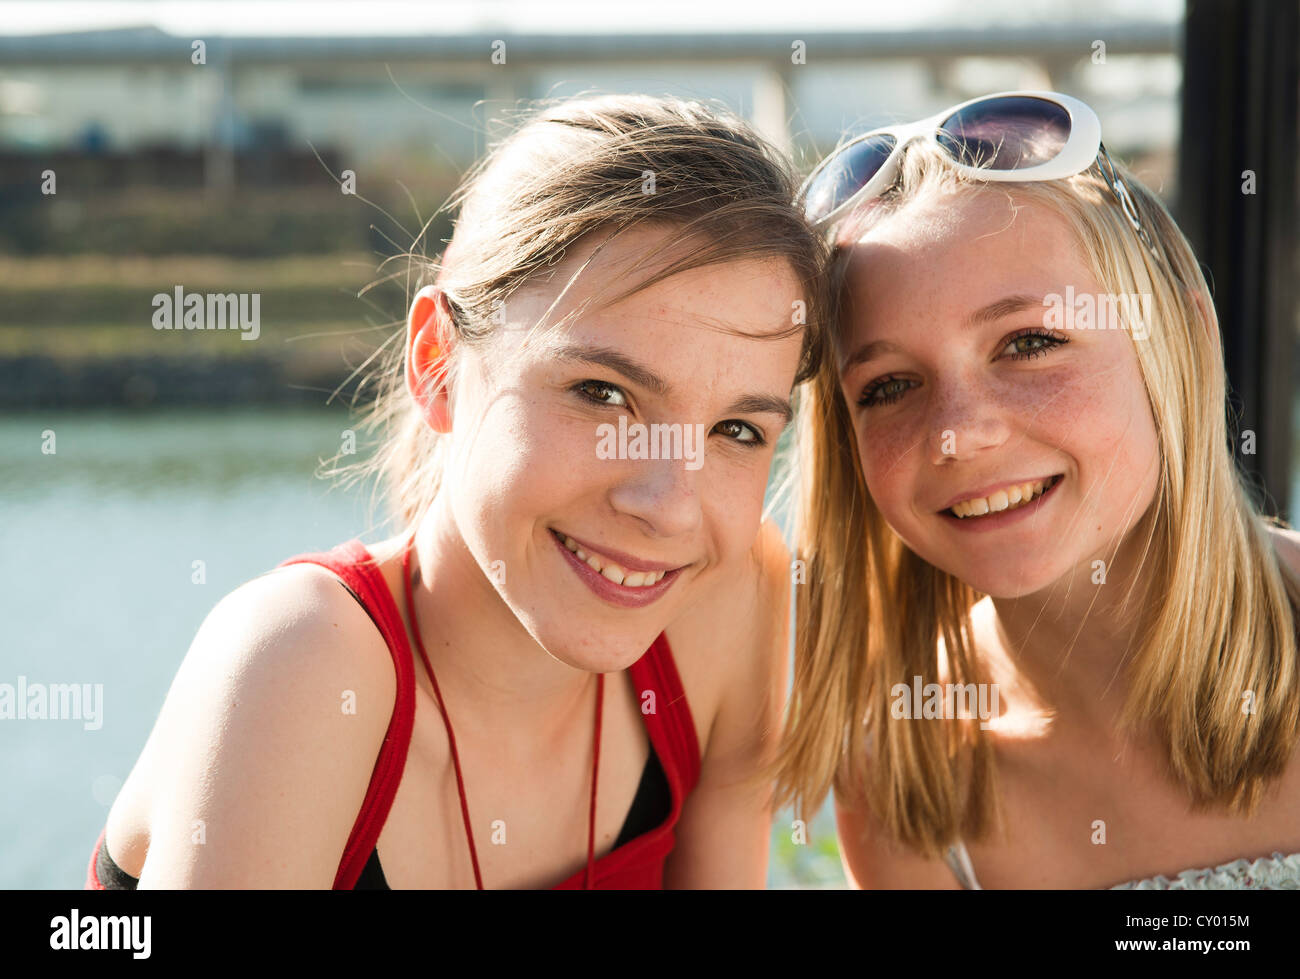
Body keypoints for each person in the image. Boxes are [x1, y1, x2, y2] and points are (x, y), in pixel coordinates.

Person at [85, 93, 829, 889]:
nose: (671, 504)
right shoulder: (299, 667)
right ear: (438, 362)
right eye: (602, 393)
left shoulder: (725, 598)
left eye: (738, 431)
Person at [774, 92, 1300, 889]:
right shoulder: (904, 782)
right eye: (888, 386)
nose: (959, 431)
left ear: (1185, 339)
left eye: (1029, 342)